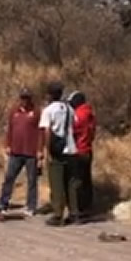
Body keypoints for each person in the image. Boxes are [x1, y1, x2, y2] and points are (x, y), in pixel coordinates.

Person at [39, 81, 81, 226]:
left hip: (57, 150)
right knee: (71, 183)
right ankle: (74, 213)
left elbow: (47, 131)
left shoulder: (48, 110)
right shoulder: (69, 109)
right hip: (71, 149)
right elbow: (75, 126)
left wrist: (47, 150)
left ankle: (58, 215)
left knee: (57, 184)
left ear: (49, 95)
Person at [0, 88, 41, 216]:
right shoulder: (14, 111)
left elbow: (41, 132)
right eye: (22, 98)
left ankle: (31, 206)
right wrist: (8, 144)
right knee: (9, 177)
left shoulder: (36, 112)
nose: (24, 101)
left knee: (32, 180)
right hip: (16, 150)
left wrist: (40, 149)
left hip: (31, 151)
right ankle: (3, 203)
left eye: (27, 98)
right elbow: (10, 129)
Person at [69, 90, 97, 222]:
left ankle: (78, 210)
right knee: (86, 180)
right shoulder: (90, 113)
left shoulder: (79, 115)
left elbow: (73, 130)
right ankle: (87, 207)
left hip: (78, 150)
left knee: (76, 181)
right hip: (88, 149)